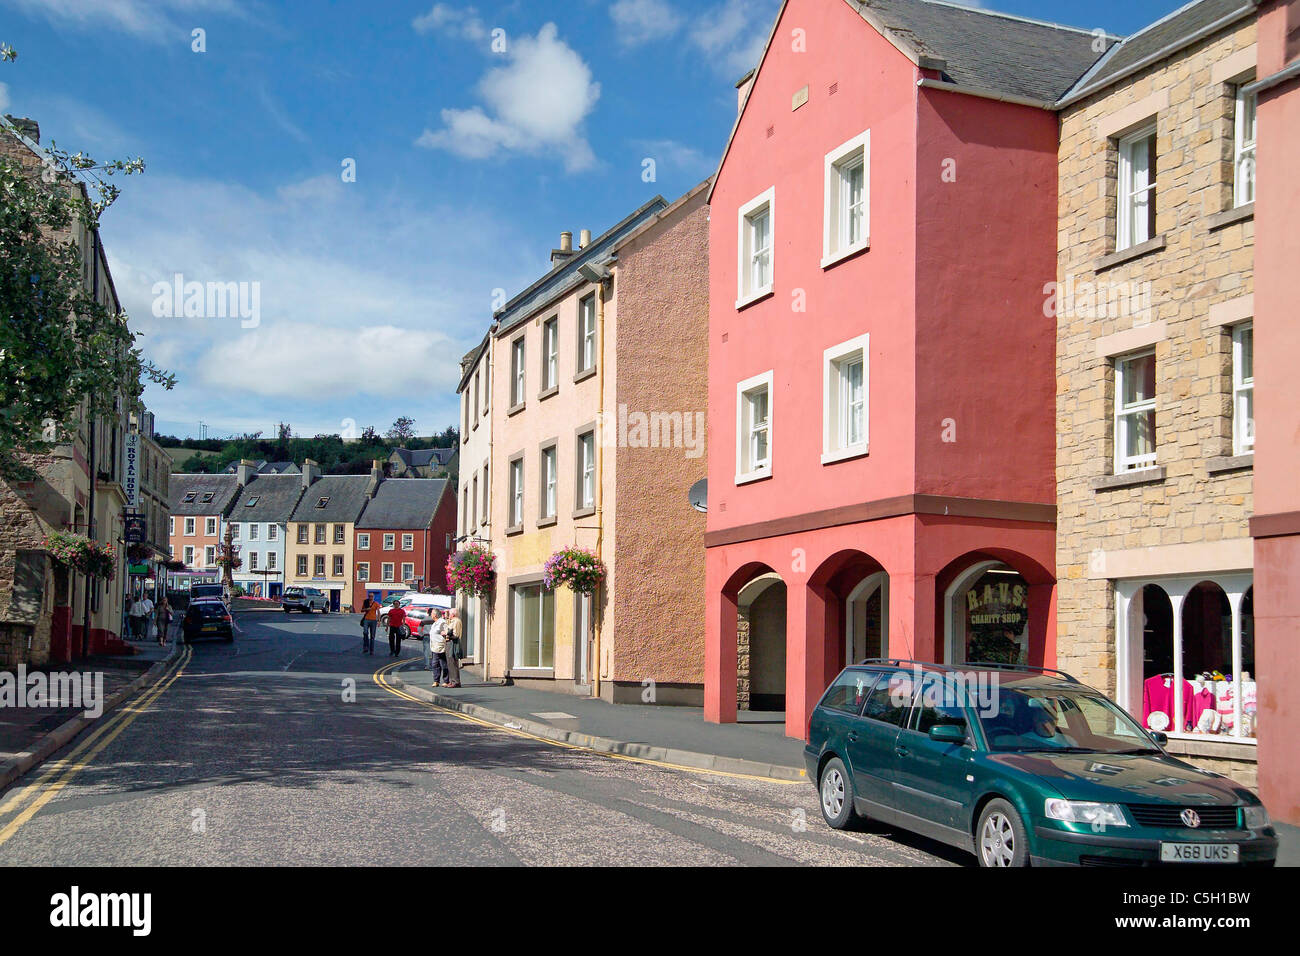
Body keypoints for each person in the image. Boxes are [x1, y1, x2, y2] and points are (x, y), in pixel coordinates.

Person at [429, 611, 450, 686]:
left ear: (435, 615)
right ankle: (436, 681)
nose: (431, 614)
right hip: (434, 646)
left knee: (443, 664)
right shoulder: (435, 623)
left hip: (440, 646)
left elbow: (446, 633)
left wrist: (444, 638)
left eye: (431, 613)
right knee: (435, 664)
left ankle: (446, 681)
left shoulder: (442, 623)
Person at [444, 608, 462, 688]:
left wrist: (447, 633)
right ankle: (452, 681)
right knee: (449, 663)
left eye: (450, 614)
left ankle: (456, 681)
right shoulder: (451, 621)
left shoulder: (457, 621)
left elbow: (456, 634)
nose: (449, 615)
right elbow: (447, 626)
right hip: (448, 642)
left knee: (453, 662)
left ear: (453, 614)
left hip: (453, 643)